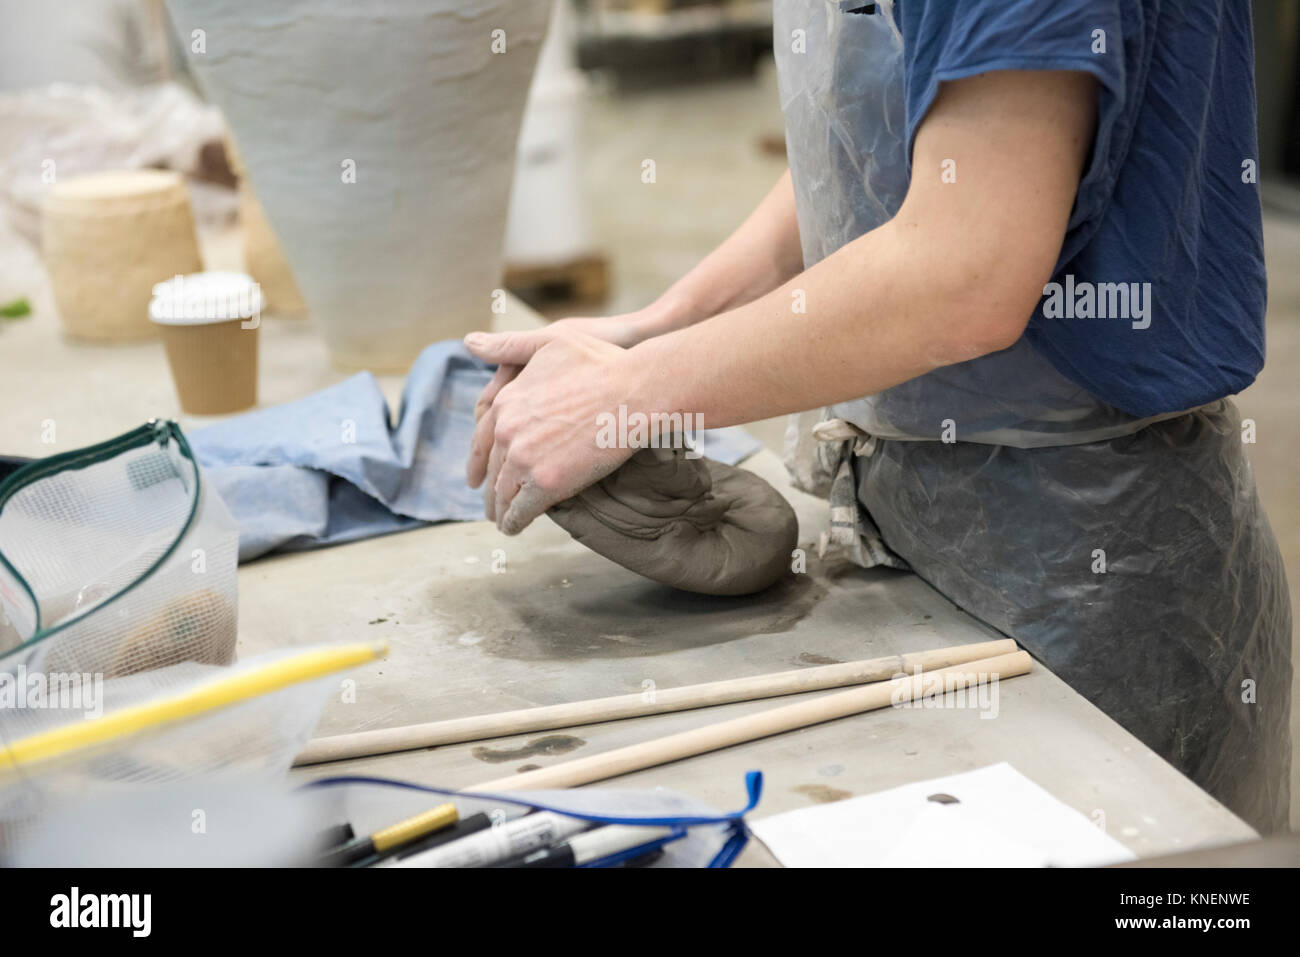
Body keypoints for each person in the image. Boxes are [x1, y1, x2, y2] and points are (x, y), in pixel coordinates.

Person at [465, 0, 1291, 832]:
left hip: (1087, 571)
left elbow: (968, 268)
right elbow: (884, 138)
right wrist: (653, 331)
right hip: (922, 533)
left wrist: (634, 392)